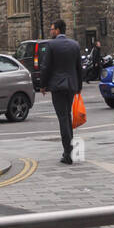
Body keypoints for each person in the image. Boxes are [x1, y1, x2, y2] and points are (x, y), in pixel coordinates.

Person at [40, 19, 83, 166]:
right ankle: (69, 150)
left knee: (63, 118)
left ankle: (68, 152)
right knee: (67, 116)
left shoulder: (51, 45)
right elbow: (79, 68)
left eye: (52, 29)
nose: (51, 31)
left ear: (57, 30)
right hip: (71, 85)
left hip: (57, 87)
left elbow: (46, 67)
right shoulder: (75, 45)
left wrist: (43, 85)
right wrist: (79, 87)